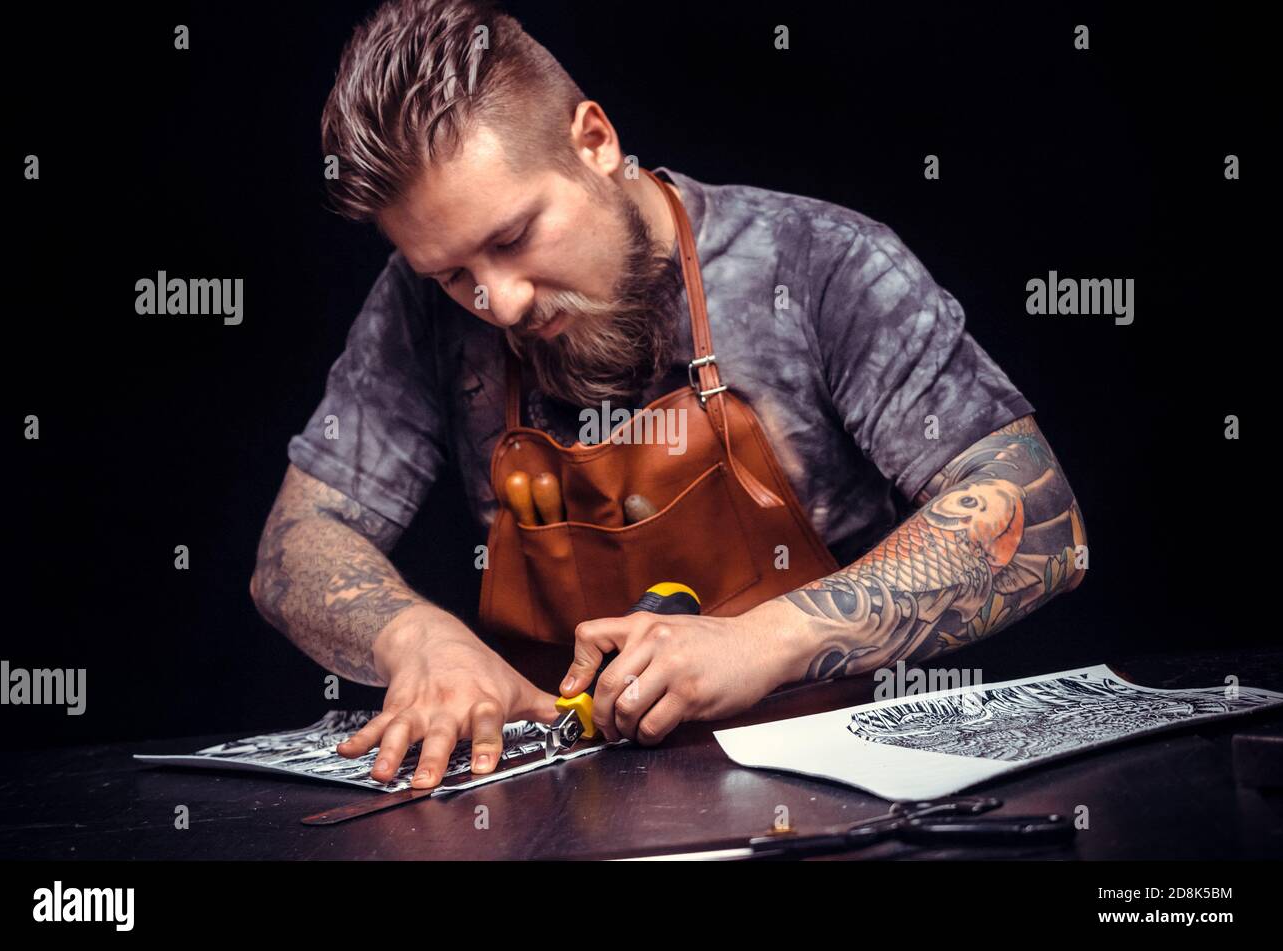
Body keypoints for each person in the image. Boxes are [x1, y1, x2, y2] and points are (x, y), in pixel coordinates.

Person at [250, 0, 1087, 790]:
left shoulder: (817, 265)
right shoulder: (417, 309)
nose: (497, 302)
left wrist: (763, 642)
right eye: (453, 274)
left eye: (512, 238)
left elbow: (1038, 517)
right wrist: (415, 639)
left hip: (837, 791)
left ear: (594, 141)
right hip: (561, 807)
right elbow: (296, 542)